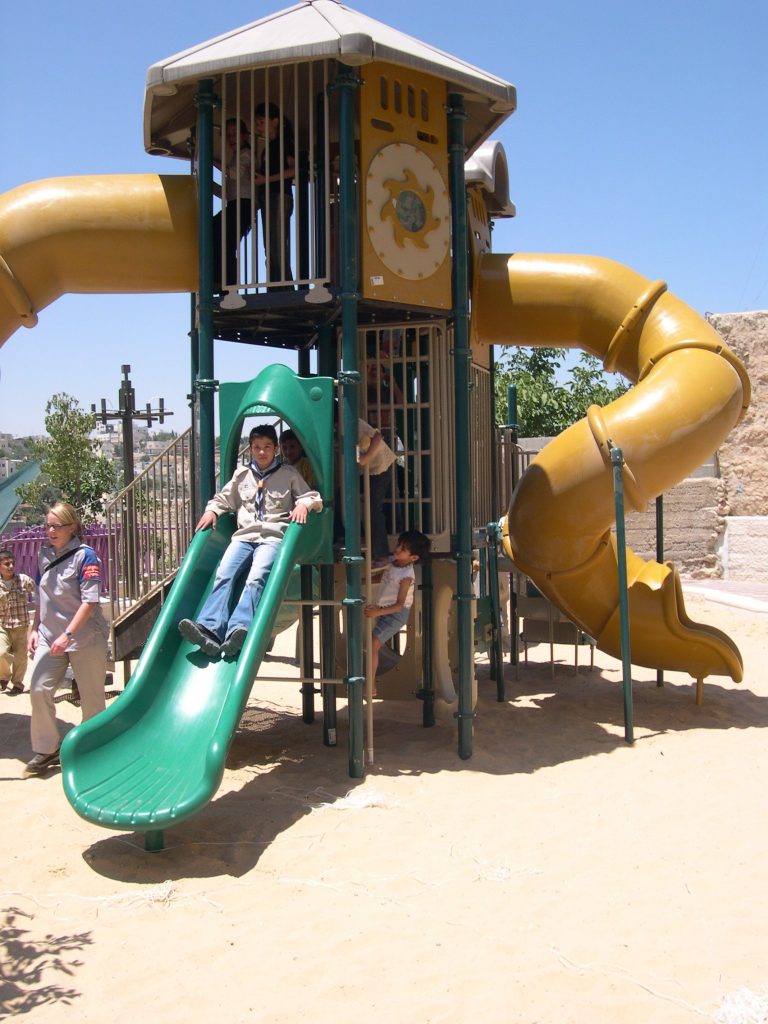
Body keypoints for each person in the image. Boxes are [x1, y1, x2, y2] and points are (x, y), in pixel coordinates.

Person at [179, 424, 321, 658]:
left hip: (272, 537)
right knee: (224, 573)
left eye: (267, 447)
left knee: (256, 576)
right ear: (251, 449)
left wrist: (303, 505)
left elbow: (311, 496)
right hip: (245, 536)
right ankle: (210, 628)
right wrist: (212, 511)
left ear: (275, 449)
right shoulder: (242, 475)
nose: (262, 452)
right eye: (257, 447)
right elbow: (224, 499)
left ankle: (239, 627)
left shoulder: (288, 474)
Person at [24, 503, 109, 778]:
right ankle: (47, 748)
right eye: (47, 525)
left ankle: (93, 751)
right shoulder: (44, 553)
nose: (50, 530)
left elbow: (90, 602)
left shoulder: (86, 556)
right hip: (50, 636)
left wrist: (68, 634)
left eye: (56, 526)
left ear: (72, 527)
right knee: (39, 689)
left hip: (84, 637)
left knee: (92, 699)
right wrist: (34, 628)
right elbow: (42, 594)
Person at [363, 529, 431, 686]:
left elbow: (400, 605)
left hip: (395, 615)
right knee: (372, 644)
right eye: (399, 545)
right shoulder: (395, 562)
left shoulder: (407, 576)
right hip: (385, 608)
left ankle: (371, 683)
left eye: (403, 549)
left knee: (372, 645)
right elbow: (384, 577)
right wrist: (365, 580)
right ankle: (370, 680)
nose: (398, 549)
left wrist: (377, 612)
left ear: (413, 557)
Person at [255, 102, 295, 285]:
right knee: (271, 246)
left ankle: (284, 287)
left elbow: (293, 170)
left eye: (262, 122)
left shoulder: (284, 143)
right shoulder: (268, 147)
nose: (259, 127)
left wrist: (267, 179)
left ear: (275, 121)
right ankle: (276, 285)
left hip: (279, 196)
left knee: (277, 246)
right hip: (269, 197)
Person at [212, 117, 253, 291]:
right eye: (228, 135)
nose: (232, 138)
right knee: (219, 235)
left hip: (244, 206)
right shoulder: (236, 156)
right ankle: (222, 280)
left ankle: (227, 283)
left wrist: (212, 162)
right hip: (236, 204)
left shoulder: (246, 154)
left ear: (244, 135)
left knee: (224, 239)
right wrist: (210, 186)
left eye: (235, 134)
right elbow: (228, 194)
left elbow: (234, 174)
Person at [357, 418, 395, 566]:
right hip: (370, 470)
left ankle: (382, 553)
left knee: (373, 509)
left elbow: (378, 436)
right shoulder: (342, 426)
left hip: (381, 466)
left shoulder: (353, 422)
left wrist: (366, 457)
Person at [0, 548, 35, 696]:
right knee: (1, 653)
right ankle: (4, 677)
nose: (11, 566)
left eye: (12, 563)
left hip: (21, 626)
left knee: (21, 658)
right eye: (6, 564)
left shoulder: (23, 580)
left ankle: (18, 684)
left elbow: (40, 590)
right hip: (3, 626)